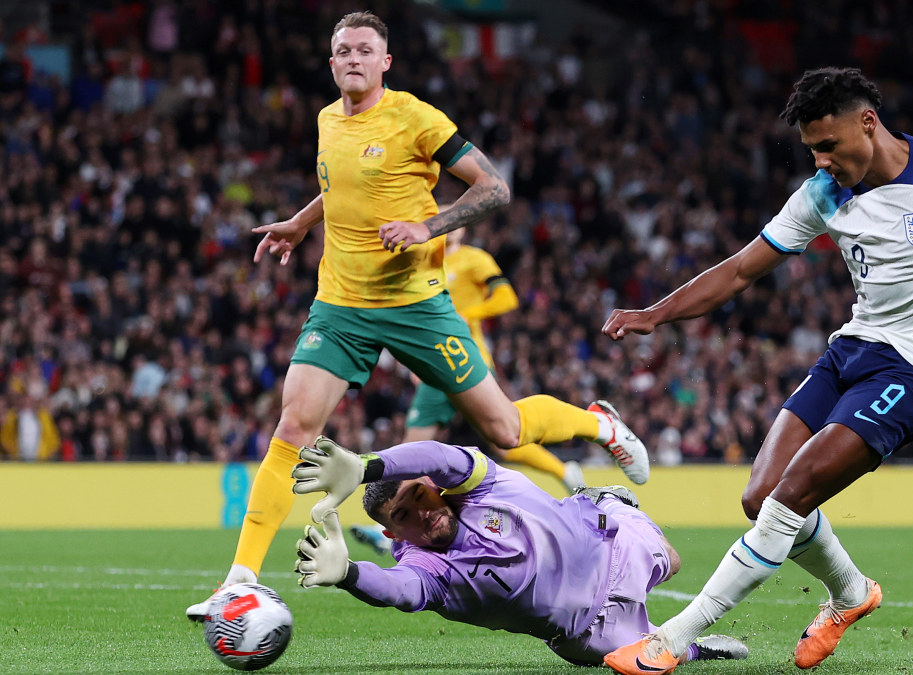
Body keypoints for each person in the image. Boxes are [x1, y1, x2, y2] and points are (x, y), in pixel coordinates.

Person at [186, 10, 648, 620]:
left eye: (364, 50)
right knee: (293, 430)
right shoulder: (328, 120)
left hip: (416, 306)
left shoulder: (415, 117)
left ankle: (597, 426)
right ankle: (239, 581)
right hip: (342, 305)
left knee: (504, 431)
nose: (353, 58)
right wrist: (301, 223)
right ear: (331, 64)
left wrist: (426, 224)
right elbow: (343, 187)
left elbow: (493, 187)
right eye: (343, 50)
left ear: (385, 62)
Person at [601, 66, 913, 673]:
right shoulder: (821, 193)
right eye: (811, 149)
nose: (820, 161)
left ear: (867, 123)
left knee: (790, 497)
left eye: (828, 145)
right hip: (852, 349)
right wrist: (657, 314)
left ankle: (671, 639)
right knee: (761, 496)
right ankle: (851, 593)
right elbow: (741, 270)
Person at [290, 435, 748, 667]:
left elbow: (437, 455)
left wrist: (368, 466)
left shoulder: (477, 480)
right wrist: (349, 574)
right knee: (647, 659)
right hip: (586, 633)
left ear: (432, 484)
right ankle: (701, 650)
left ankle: (601, 500)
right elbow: (399, 591)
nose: (422, 512)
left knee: (673, 561)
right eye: (404, 515)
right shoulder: (425, 567)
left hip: (610, 547)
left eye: (420, 495)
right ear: (392, 535)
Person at [351, 227, 586, 556]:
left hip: (465, 361)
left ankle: (567, 468)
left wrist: (468, 315)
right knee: (418, 446)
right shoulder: (419, 263)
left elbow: (507, 298)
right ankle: (387, 526)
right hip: (433, 366)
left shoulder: (474, 259)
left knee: (501, 437)